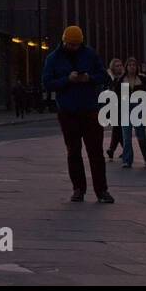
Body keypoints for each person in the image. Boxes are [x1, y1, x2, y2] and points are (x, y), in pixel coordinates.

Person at [41, 25, 113, 203]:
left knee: (95, 152)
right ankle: (78, 189)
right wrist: (68, 80)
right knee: (73, 151)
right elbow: (47, 83)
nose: (74, 47)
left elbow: (104, 76)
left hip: (89, 109)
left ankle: (101, 190)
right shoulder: (53, 58)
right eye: (71, 44)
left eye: (77, 45)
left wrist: (89, 78)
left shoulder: (90, 54)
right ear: (64, 41)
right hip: (68, 111)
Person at [118, 57, 146, 168]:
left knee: (141, 135)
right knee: (126, 137)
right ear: (126, 67)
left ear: (136, 67)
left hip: (139, 108)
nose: (132, 67)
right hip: (125, 109)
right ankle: (127, 160)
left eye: (134, 65)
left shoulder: (142, 79)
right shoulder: (121, 80)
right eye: (130, 65)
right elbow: (117, 96)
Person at [105, 58, 126, 160]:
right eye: (117, 66)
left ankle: (112, 149)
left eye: (120, 65)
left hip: (123, 107)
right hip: (113, 107)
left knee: (117, 128)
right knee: (118, 128)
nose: (119, 67)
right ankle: (124, 149)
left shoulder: (124, 78)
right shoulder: (110, 79)